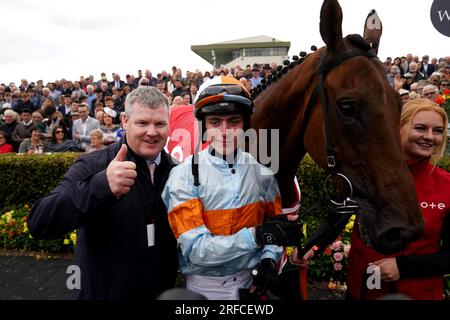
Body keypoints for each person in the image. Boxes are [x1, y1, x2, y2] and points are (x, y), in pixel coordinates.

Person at [27, 86, 179, 299]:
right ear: (125, 121)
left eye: (160, 123)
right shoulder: (93, 165)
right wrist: (99, 187)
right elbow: (39, 222)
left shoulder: (178, 172)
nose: (152, 132)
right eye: (142, 123)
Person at [293, 98, 450, 300]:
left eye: (437, 130)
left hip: (417, 294)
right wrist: (312, 248)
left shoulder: (447, 186)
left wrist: (403, 267)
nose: (430, 137)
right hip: (361, 291)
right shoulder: (366, 175)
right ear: (397, 129)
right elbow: (340, 216)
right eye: (420, 128)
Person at [162, 77, 303, 300]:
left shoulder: (263, 174)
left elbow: (274, 232)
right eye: (215, 122)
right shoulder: (183, 176)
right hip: (204, 289)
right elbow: (196, 251)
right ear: (204, 127)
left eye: (234, 121)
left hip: (253, 285)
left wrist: (268, 259)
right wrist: (258, 236)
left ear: (245, 125)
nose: (225, 131)